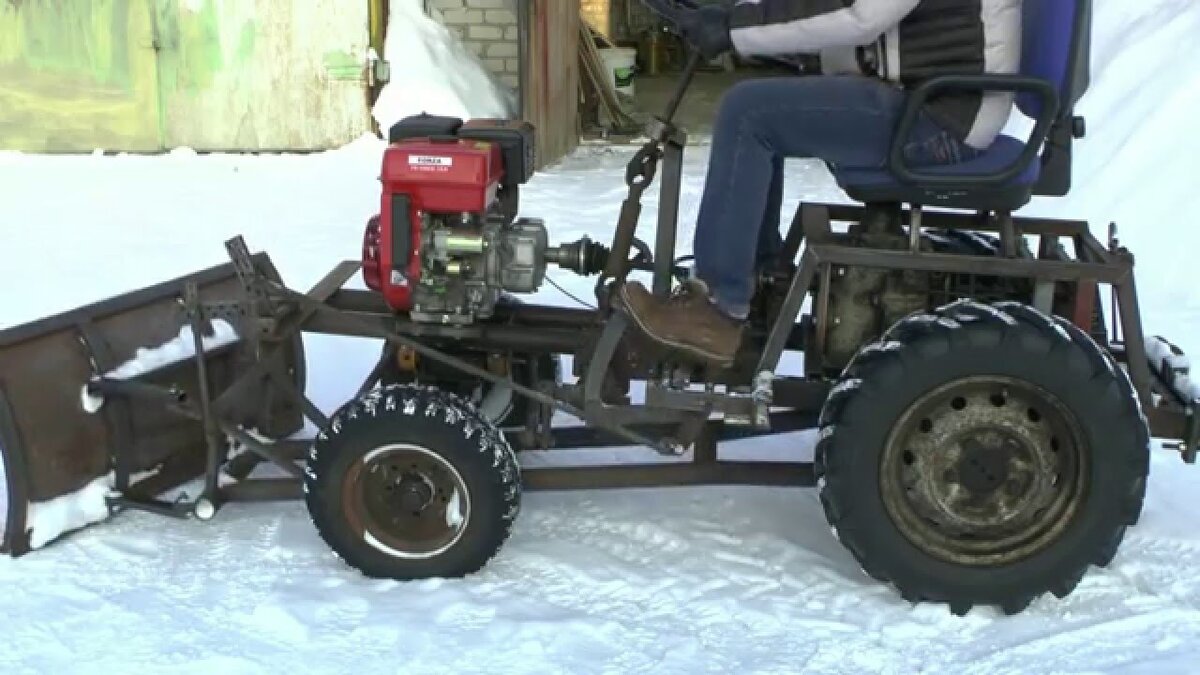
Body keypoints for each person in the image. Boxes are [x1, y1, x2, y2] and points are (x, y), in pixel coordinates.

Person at [617, 0, 1023, 366]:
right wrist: (740, 18)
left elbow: (861, 14)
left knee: (748, 114)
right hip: (938, 97)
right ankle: (756, 283)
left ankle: (718, 308)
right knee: (764, 109)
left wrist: (734, 28)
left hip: (941, 115)